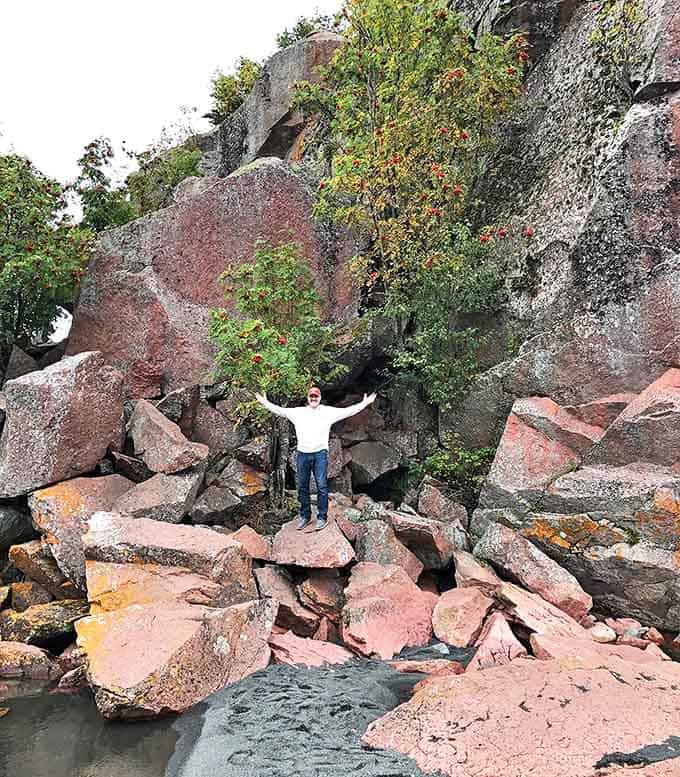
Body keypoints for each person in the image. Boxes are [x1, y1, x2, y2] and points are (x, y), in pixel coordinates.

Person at [255, 386, 376, 531]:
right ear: (308, 398)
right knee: (302, 487)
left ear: (319, 398)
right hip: (303, 454)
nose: (313, 399)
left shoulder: (328, 412)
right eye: (311, 396)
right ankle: (305, 516)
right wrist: (263, 401)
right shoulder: (298, 412)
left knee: (322, 486)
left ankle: (322, 517)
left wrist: (365, 403)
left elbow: (348, 411)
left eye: (316, 396)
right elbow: (279, 410)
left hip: (320, 454)